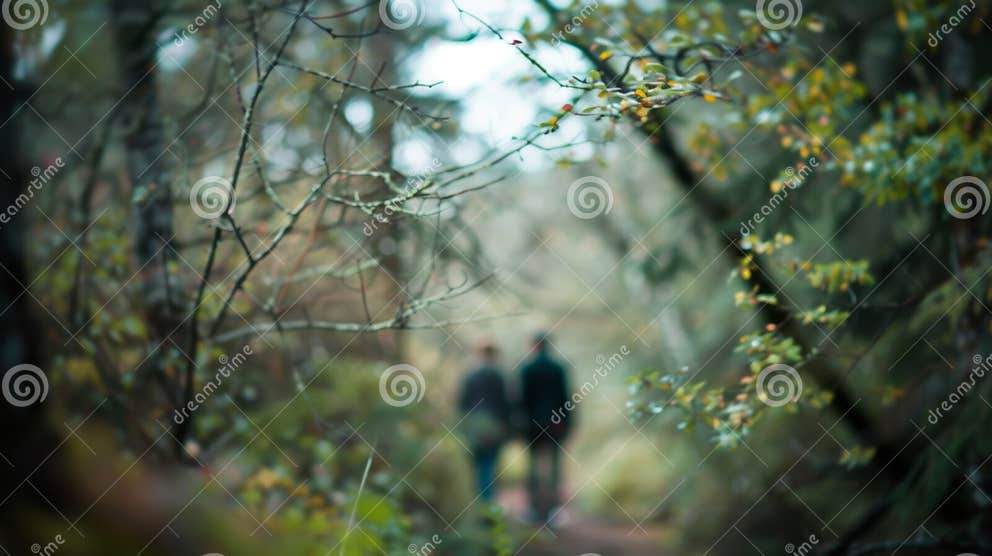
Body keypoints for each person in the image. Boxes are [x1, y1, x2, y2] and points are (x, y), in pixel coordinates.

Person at [519, 332, 571, 523]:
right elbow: (566, 399)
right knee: (555, 468)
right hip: (555, 425)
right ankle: (554, 511)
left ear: (534, 345)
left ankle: (533, 510)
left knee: (532, 468)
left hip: (533, 426)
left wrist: (520, 426)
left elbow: (522, 401)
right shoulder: (558, 368)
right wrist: (567, 425)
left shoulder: (527, 368)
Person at [458, 341, 512, 503]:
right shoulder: (500, 377)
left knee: (476, 466)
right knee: (489, 465)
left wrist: (464, 426)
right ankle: (487, 505)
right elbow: (507, 404)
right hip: (495, 426)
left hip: (475, 426)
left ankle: (480, 504)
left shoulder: (471, 376)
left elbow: (462, 404)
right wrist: (508, 427)